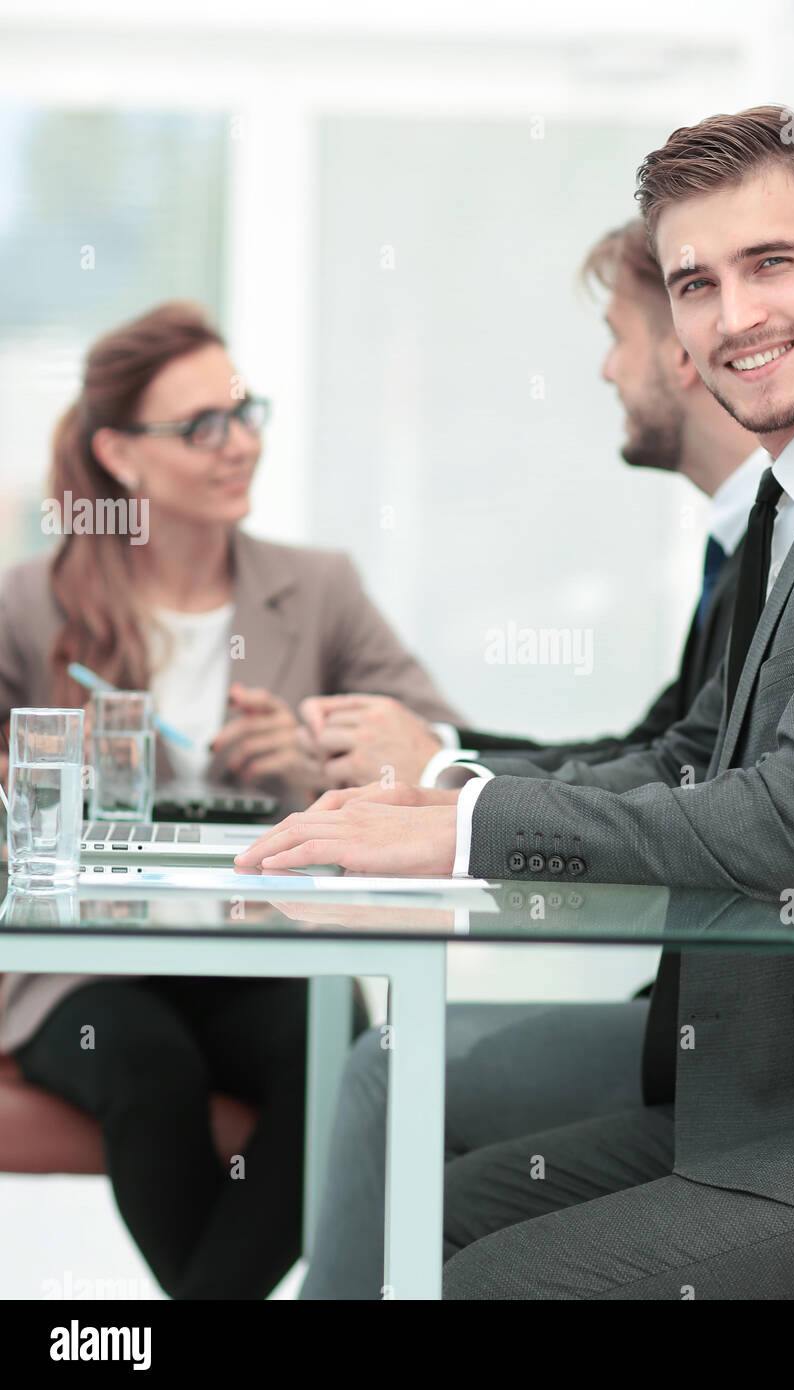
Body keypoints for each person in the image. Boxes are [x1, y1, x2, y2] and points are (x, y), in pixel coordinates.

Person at [239, 105, 794, 1299]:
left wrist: (468, 827)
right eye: (696, 283)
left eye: (770, 263)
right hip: (782, 1106)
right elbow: (692, 759)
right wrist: (455, 791)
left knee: (494, 1283)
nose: (733, 317)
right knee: (428, 1225)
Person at [297, 219, 761, 1299]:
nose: (604, 366)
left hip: (737, 1047)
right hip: (697, 1016)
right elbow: (665, 748)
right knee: (388, 1080)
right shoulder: (747, 547)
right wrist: (449, 764)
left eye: (616, 335)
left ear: (685, 352)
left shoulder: (786, 552)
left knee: (389, 1074)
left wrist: (450, 785)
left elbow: (687, 778)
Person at [0, 301, 460, 1299]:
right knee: (146, 1067)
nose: (240, 441)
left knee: (338, 1052)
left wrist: (309, 760)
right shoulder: (31, 602)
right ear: (120, 455)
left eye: (245, 411)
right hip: (90, 965)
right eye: (203, 425)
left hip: (266, 941)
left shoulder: (317, 587)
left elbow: (441, 753)